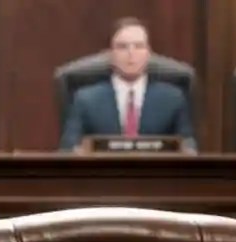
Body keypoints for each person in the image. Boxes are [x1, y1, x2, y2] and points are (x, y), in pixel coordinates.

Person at [58, 17, 195, 151]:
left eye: (139, 46)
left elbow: (188, 147)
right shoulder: (85, 99)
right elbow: (68, 149)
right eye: (122, 47)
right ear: (110, 53)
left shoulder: (172, 98)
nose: (131, 53)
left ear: (149, 53)